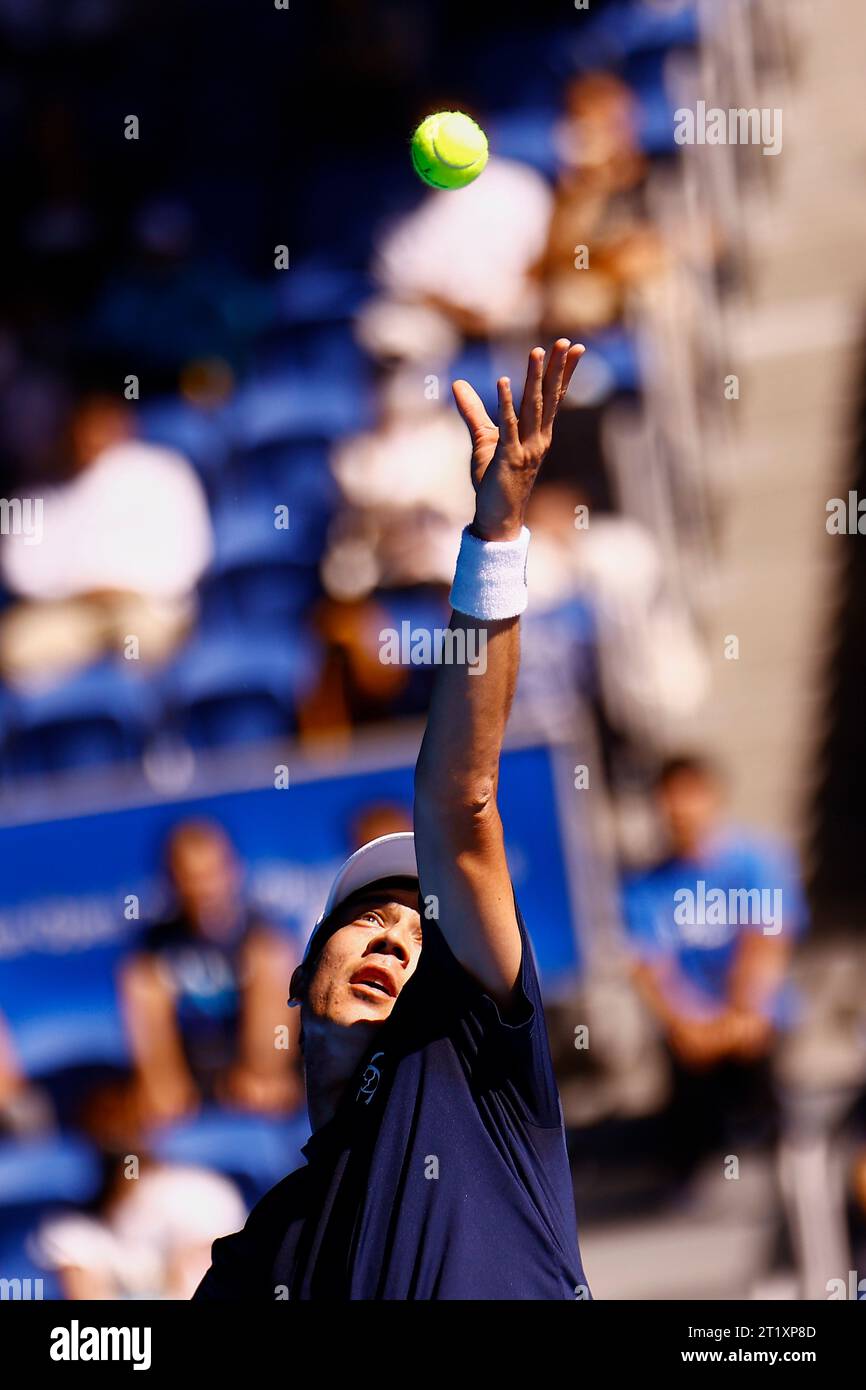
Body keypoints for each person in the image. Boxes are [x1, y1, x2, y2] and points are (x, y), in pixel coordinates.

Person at [194, 339, 591, 1301]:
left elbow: (461, 802)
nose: (399, 936)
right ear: (298, 978)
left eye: (422, 927)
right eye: (370, 917)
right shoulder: (257, 1260)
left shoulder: (468, 1063)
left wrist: (494, 540)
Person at [623, 755, 808, 1175]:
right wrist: (689, 1025)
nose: (681, 808)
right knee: (689, 1122)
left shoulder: (760, 860)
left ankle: (785, 1163)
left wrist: (744, 1012)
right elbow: (649, 968)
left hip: (756, 1022)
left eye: (690, 794)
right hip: (692, 1035)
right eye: (670, 796)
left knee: (763, 1090)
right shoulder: (644, 886)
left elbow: (766, 941)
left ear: (713, 797)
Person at [0, 393, 212, 689]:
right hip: (70, 612)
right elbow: (20, 569)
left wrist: (124, 587)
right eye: (86, 426)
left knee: (145, 642)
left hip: (144, 608)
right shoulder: (37, 489)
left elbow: (189, 554)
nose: (94, 435)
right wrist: (82, 589)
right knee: (16, 646)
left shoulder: (164, 472)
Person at [120, 820, 302, 1126]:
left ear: (233, 870)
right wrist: (164, 1088)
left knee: (272, 959)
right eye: (190, 877)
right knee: (142, 981)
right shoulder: (152, 950)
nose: (204, 888)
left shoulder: (264, 937)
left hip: (260, 1078)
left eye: (211, 874)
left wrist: (262, 1076)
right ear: (172, 881)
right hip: (189, 1083)